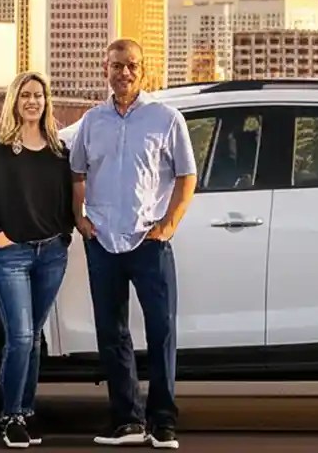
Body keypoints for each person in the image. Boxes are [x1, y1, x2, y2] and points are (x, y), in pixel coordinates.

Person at [69, 38, 197, 449]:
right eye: (117, 65)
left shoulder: (166, 118)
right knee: (112, 332)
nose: (124, 73)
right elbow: (76, 173)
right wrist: (80, 218)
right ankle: (127, 421)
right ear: (105, 68)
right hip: (103, 241)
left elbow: (186, 176)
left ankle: (163, 423)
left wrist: (169, 224)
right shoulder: (92, 121)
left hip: (149, 241)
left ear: (144, 70)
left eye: (132, 66)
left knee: (161, 331)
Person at [0, 70, 74, 449]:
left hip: (51, 255)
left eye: (39, 96)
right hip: (9, 255)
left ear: (46, 103)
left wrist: (64, 235)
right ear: (15, 100)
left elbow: (66, 200)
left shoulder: (59, 151)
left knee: (33, 338)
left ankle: (25, 414)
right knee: (21, 335)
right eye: (26, 95)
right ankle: (10, 416)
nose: (33, 101)